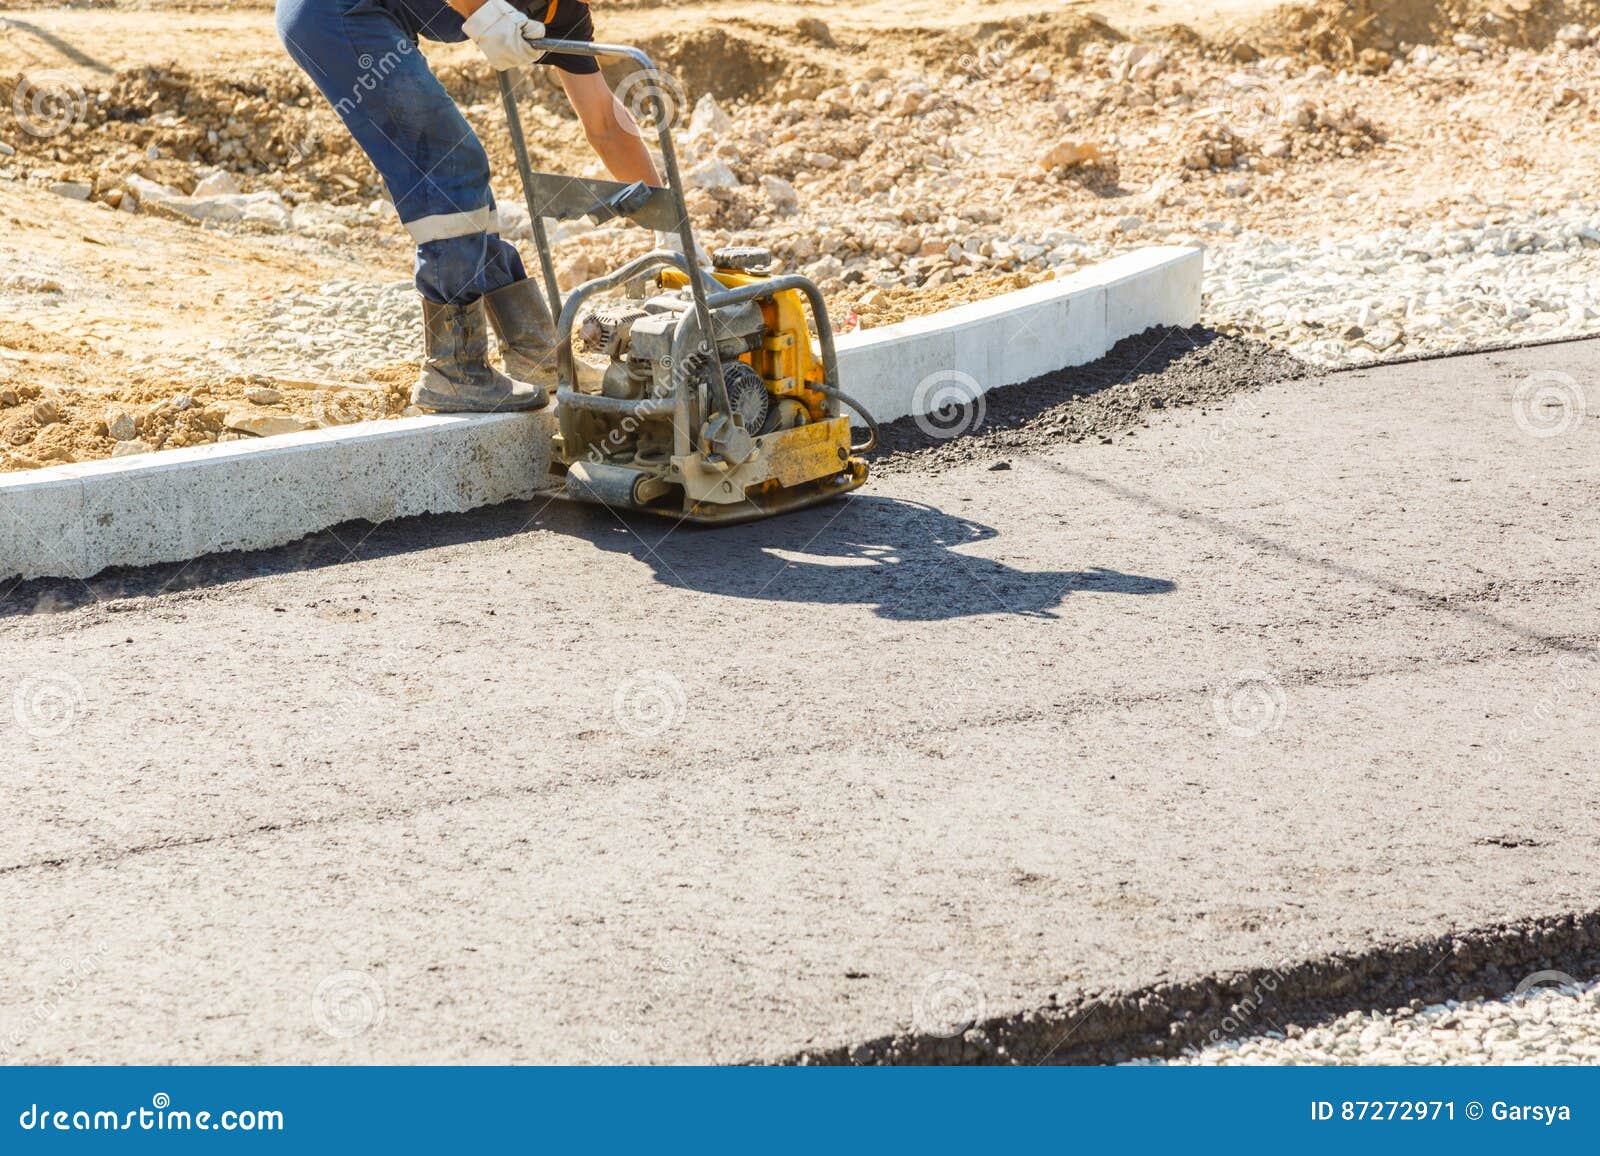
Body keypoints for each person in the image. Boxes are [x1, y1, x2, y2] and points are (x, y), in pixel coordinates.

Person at [275, 0, 662, 412]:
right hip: (335, 13)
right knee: (451, 162)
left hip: (380, 19)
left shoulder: (565, 11)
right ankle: (453, 370)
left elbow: (603, 122)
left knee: (466, 188)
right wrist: (485, 13)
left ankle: (537, 355)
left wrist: (666, 218)